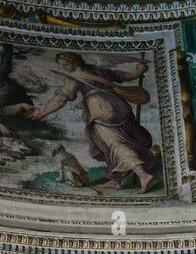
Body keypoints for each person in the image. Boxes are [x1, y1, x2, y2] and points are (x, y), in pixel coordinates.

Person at [28, 52, 158, 193]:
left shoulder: (74, 77)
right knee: (110, 144)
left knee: (115, 144)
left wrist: (43, 112)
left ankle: (143, 176)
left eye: (65, 65)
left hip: (101, 112)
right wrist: (139, 70)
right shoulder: (101, 71)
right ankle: (115, 180)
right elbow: (126, 76)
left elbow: (61, 99)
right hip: (121, 108)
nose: (65, 68)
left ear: (74, 62)